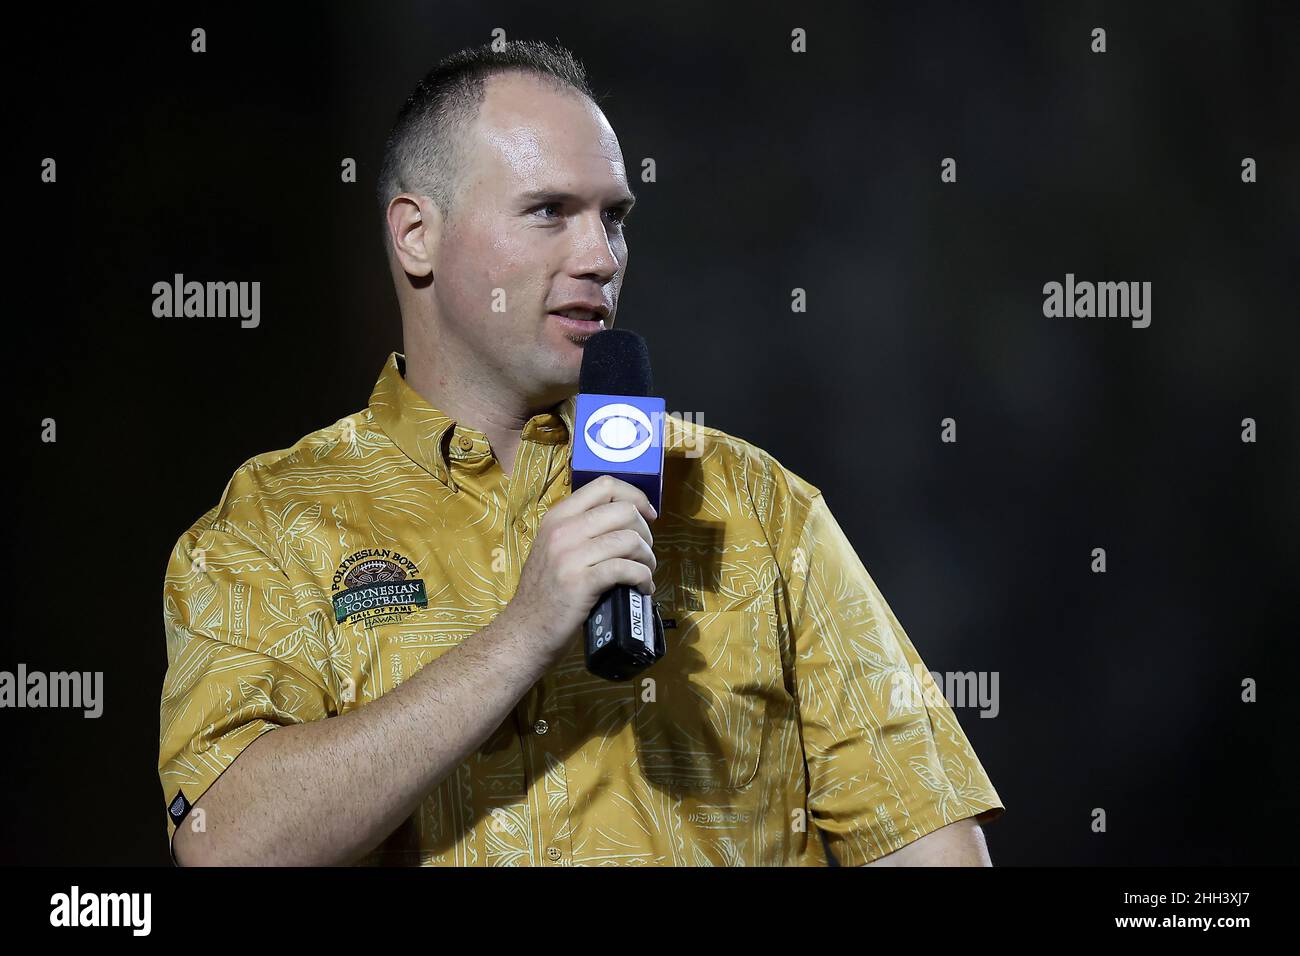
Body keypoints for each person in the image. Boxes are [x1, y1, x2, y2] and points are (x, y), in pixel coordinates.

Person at [158, 40, 1004, 867]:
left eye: (615, 218)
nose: (600, 258)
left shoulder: (752, 502)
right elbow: (224, 844)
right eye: (548, 211)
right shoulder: (277, 520)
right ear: (416, 235)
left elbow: (933, 847)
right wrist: (523, 634)